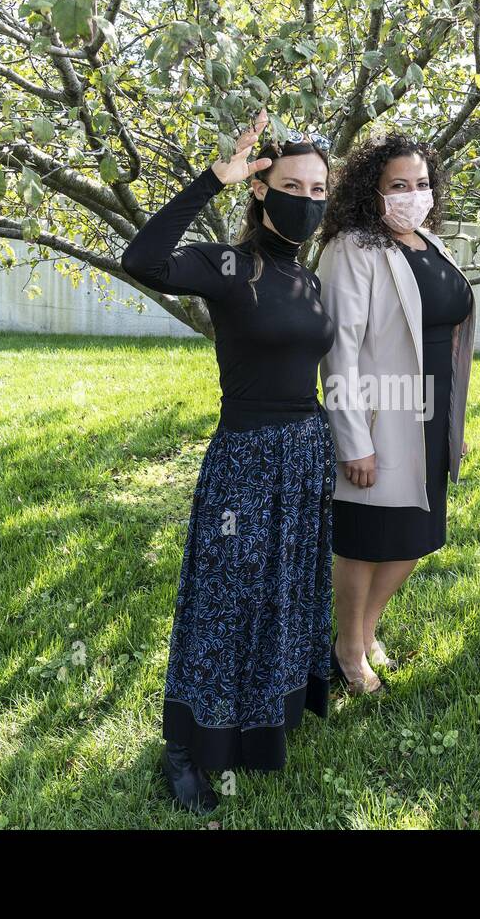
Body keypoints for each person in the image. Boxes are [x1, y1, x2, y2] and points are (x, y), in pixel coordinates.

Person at [119, 109, 337, 812]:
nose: (307, 199)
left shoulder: (307, 278)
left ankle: (261, 722)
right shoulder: (227, 264)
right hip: (244, 459)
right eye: (293, 185)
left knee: (283, 590)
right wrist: (213, 177)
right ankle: (184, 748)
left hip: (305, 453)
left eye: (318, 189)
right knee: (222, 601)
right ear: (261, 190)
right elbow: (142, 261)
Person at [317, 133, 476, 694]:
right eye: (399, 186)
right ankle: (348, 648)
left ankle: (365, 629)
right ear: (372, 191)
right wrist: (352, 439)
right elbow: (338, 350)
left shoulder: (428, 242)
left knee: (414, 536)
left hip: (429, 415)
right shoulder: (352, 249)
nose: (414, 195)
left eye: (423, 184)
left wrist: (452, 424)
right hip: (379, 419)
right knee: (367, 538)